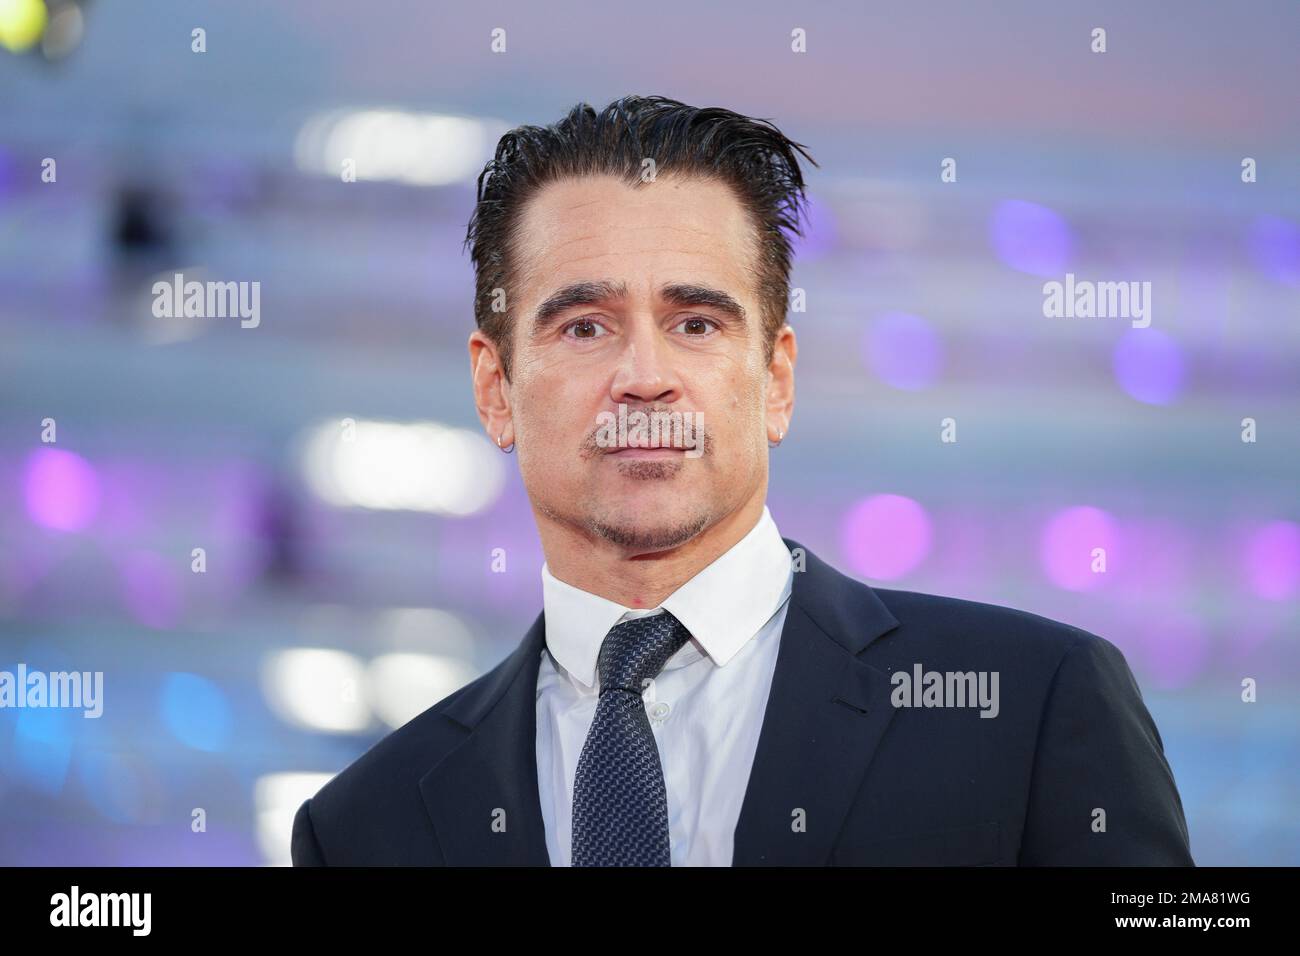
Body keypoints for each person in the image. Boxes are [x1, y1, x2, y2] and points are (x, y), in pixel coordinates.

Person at [291, 94, 1193, 866]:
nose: (645, 374)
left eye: (695, 324)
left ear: (777, 380)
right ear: (496, 389)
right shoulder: (367, 825)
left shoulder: (1030, 708)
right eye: (585, 327)